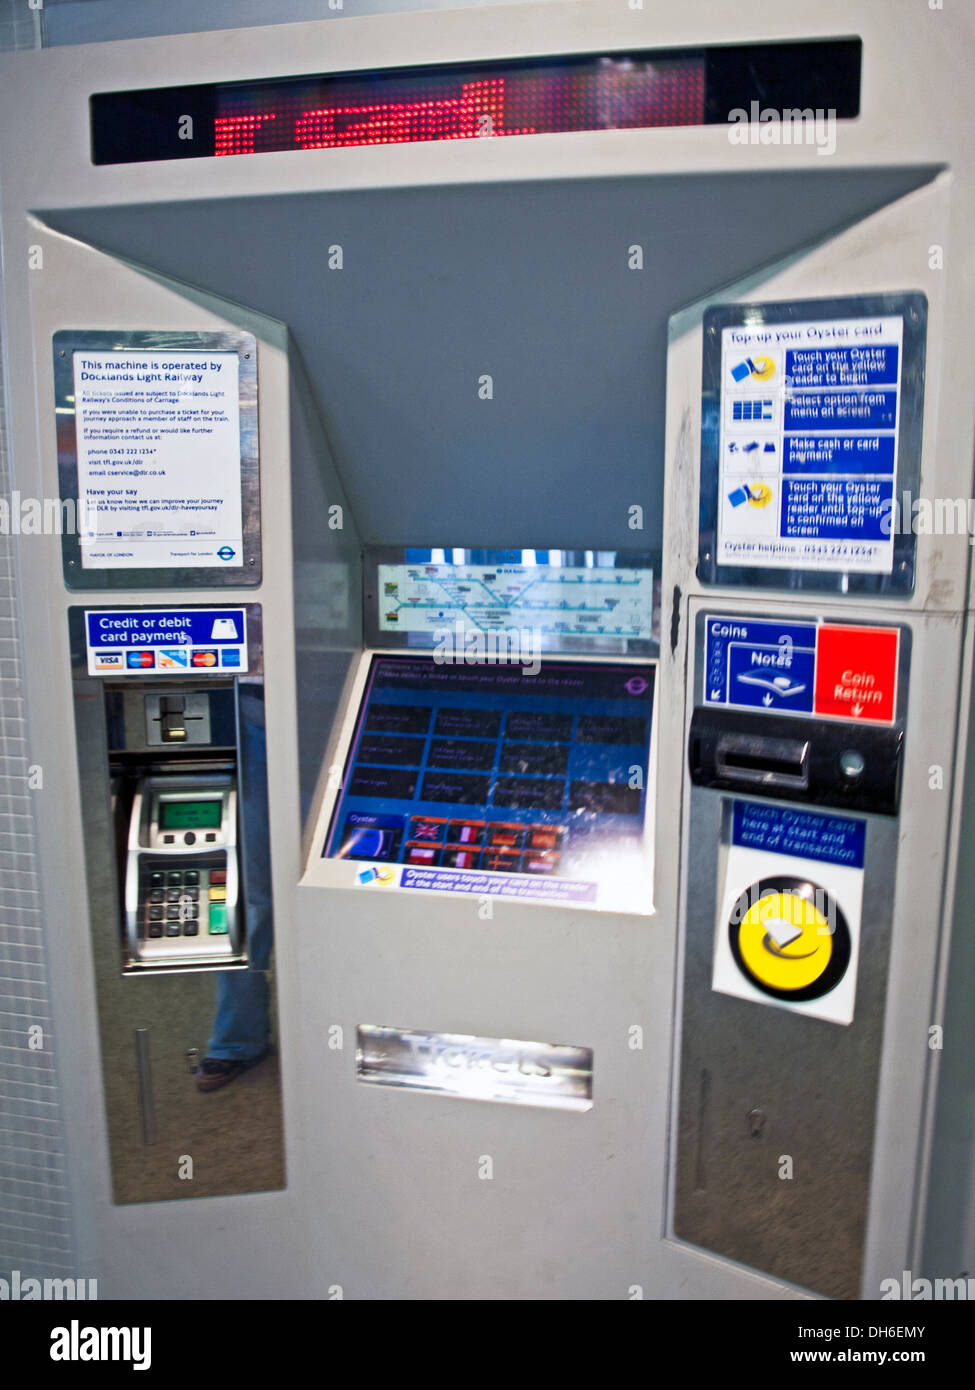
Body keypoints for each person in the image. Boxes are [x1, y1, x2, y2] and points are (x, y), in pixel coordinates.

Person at [197, 681, 274, 1092]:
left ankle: (339, 1028)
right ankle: (238, 1038)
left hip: (331, 694)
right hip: (244, 711)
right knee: (247, 894)